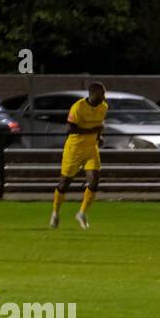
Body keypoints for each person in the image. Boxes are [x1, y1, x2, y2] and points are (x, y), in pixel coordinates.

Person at [51, 82, 108, 230]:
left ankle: (81, 213)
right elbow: (69, 129)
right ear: (93, 94)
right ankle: (55, 213)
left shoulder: (104, 107)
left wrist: (99, 136)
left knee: (94, 182)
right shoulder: (78, 107)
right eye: (101, 94)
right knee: (65, 183)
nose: (104, 97)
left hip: (91, 148)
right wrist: (93, 131)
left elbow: (99, 125)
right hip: (74, 149)